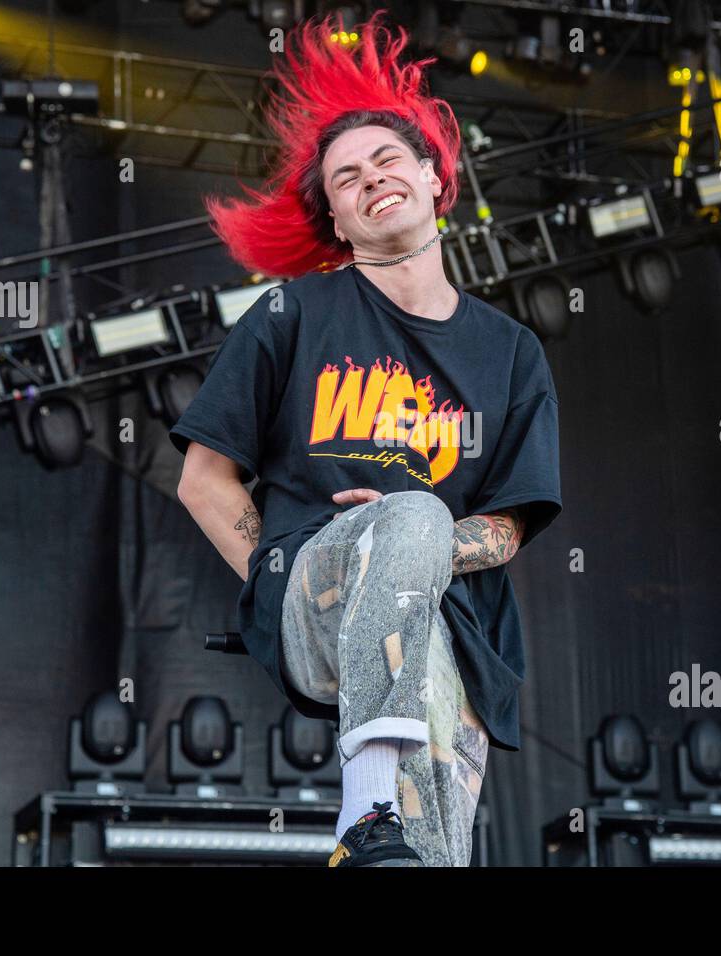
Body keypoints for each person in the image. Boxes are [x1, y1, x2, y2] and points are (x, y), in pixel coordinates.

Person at [170, 10, 561, 867]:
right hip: (316, 586)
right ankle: (364, 810)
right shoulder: (292, 313)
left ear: (434, 177)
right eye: (346, 179)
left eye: (388, 159)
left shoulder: (510, 352)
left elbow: (509, 525)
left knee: (435, 851)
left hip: (452, 628)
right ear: (338, 223)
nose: (371, 178)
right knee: (411, 515)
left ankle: (390, 839)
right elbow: (203, 480)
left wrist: (410, 554)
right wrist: (281, 577)